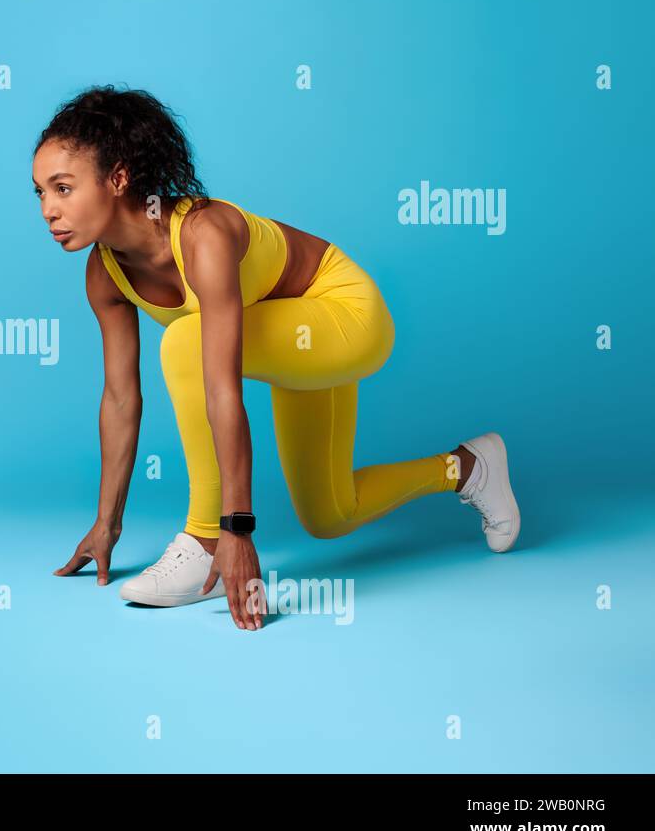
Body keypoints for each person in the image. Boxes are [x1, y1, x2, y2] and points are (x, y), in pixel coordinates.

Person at [34, 85, 520, 631]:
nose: (49, 210)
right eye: (41, 194)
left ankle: (201, 540)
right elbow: (121, 397)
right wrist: (107, 523)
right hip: (289, 338)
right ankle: (470, 468)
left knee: (183, 342)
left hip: (343, 315)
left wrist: (235, 530)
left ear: (118, 179)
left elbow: (221, 386)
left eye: (64, 188)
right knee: (331, 515)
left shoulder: (203, 234)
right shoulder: (104, 275)